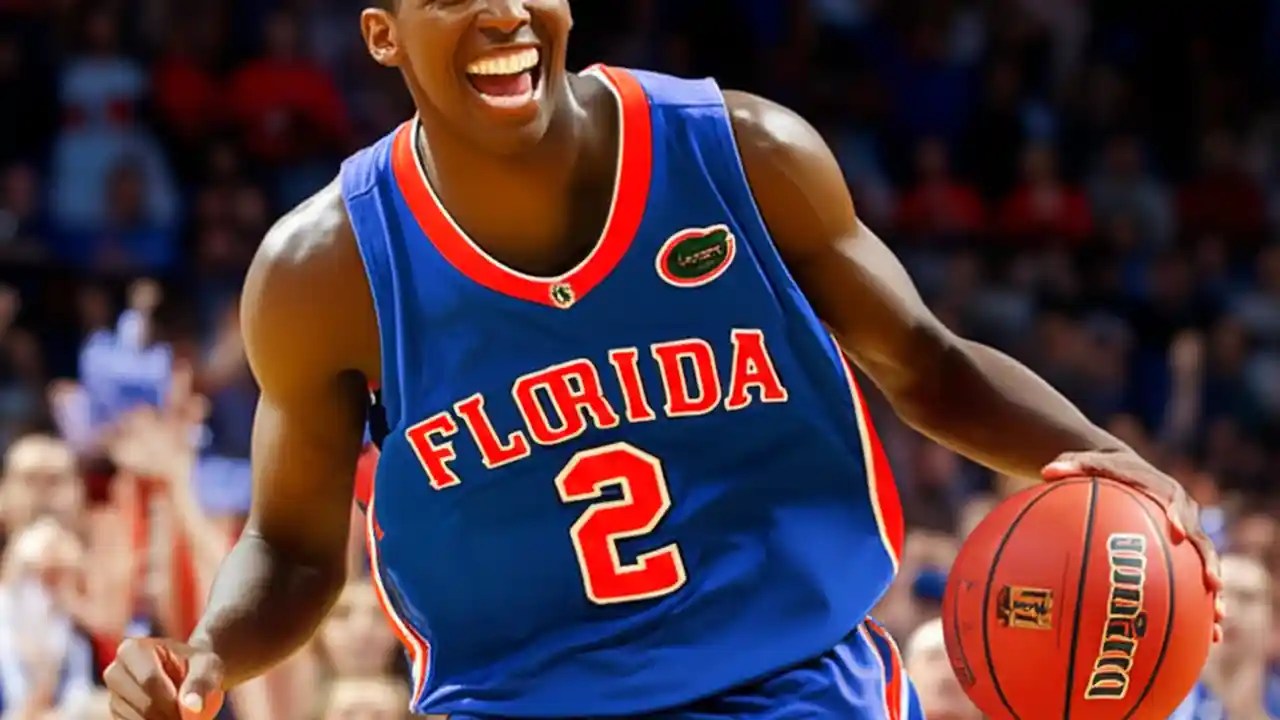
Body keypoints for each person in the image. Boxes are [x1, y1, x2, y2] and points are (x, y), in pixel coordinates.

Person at [104, 2, 1223, 718]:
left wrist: (1104, 458)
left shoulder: (744, 154)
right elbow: (295, 550)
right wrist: (206, 655)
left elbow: (923, 365)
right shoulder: (324, 269)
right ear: (383, 33)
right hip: (514, 704)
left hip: (790, 688)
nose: (501, 13)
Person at [1171, 554, 1278, 719]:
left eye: (1246, 597)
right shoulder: (1164, 699)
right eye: (1218, 598)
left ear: (1272, 616)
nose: (1229, 613)